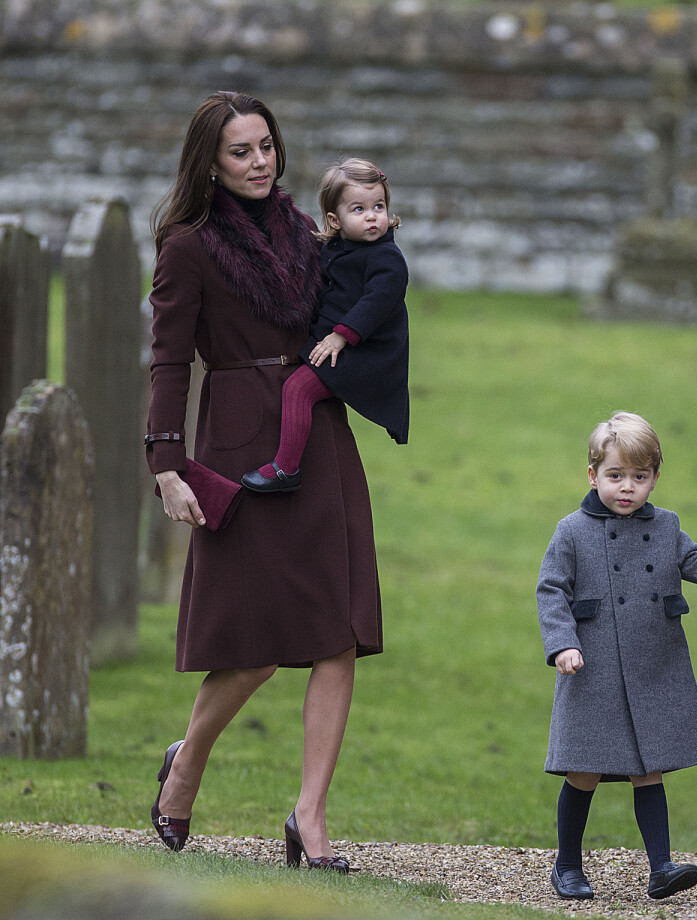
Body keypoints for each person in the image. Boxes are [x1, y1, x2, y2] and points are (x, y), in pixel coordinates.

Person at [145, 91, 384, 872]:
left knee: (337, 636)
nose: (259, 162)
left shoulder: (308, 235)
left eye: (266, 147)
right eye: (241, 151)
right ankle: (185, 769)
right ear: (209, 163)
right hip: (236, 443)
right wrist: (166, 465)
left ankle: (310, 819)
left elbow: (367, 301)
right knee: (249, 648)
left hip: (318, 436)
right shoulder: (187, 245)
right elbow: (170, 360)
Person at [536, 412, 697, 902]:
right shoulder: (571, 531)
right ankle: (567, 866)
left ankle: (661, 867)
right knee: (583, 770)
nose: (627, 488)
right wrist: (563, 644)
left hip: (653, 668)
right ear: (593, 476)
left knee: (649, 767)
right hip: (590, 671)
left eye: (640, 477)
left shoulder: (667, 527)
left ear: (655, 477)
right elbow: (551, 590)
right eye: (616, 476)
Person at [242, 156, 409, 493]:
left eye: (379, 205)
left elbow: (375, 303)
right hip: (335, 344)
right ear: (335, 219)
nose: (373, 216)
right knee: (291, 385)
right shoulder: (334, 248)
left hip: (363, 352)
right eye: (359, 209)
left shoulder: (386, 258)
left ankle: (286, 469)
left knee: (298, 389)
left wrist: (340, 337)